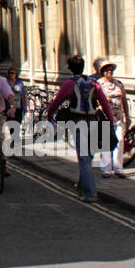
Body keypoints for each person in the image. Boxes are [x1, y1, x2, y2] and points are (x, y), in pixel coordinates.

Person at [45, 55, 117, 203]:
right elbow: (104, 102)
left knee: (84, 160)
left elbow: (57, 101)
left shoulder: (69, 84)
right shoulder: (94, 84)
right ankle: (82, 186)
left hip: (78, 123)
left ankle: (90, 193)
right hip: (94, 122)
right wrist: (111, 120)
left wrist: (50, 115)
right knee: (88, 158)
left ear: (70, 68)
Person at [96, 62, 130, 179]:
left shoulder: (119, 84)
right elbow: (94, 100)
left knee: (119, 141)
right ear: (102, 72)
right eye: (106, 70)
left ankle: (118, 168)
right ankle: (106, 169)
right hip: (105, 117)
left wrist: (127, 116)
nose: (109, 72)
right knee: (106, 143)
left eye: (110, 70)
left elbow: (124, 101)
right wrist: (103, 101)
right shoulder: (99, 84)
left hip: (119, 117)